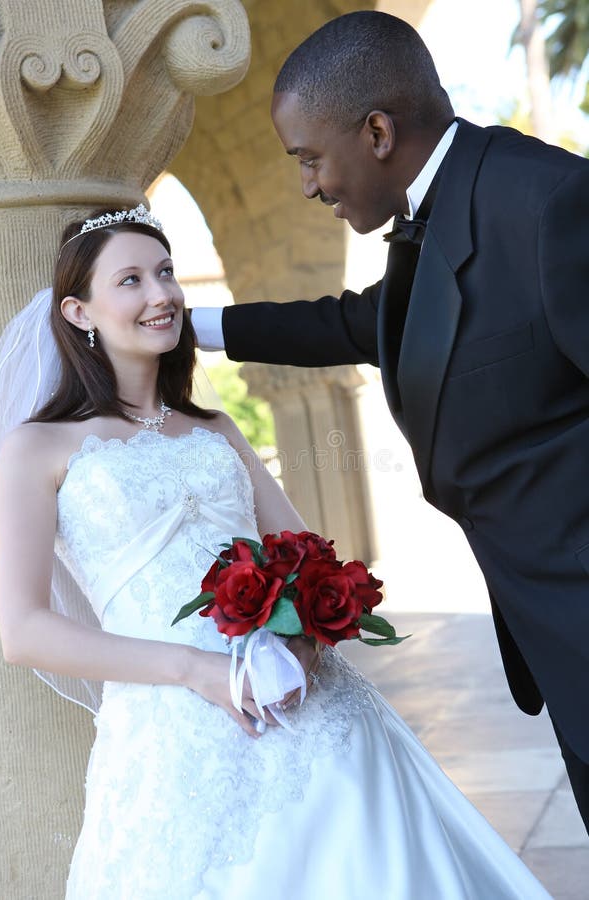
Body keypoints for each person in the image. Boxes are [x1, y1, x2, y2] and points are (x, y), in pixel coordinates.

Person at [0, 205, 551, 899]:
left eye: (165, 272)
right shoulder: (37, 448)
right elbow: (24, 630)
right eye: (130, 280)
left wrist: (304, 646)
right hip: (169, 733)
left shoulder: (213, 427)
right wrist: (195, 669)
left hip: (297, 696)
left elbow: (306, 555)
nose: (160, 294)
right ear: (79, 312)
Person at [191, 10, 589, 833]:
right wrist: (184, 324)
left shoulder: (549, 201)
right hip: (557, 637)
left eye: (309, 158)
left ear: (376, 131)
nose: (307, 184)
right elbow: (353, 324)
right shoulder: (436, 210)